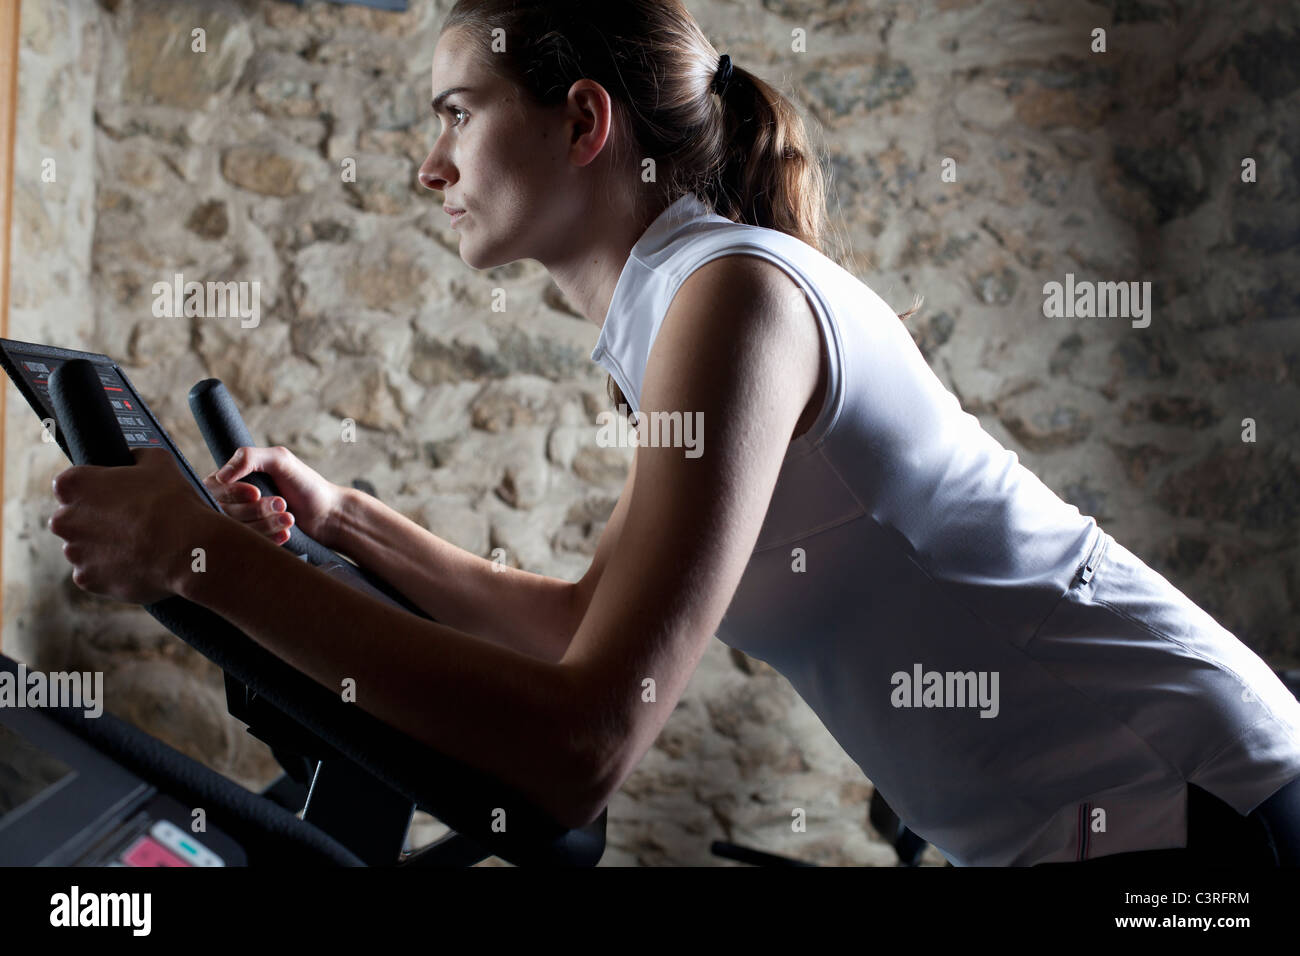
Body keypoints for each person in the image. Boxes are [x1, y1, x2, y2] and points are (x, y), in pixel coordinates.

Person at [48, 0, 1300, 866]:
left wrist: (208, 561)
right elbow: (576, 627)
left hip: (1200, 809)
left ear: (583, 123)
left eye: (455, 113)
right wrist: (342, 518)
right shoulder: (685, 308)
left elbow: (581, 740)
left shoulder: (734, 298)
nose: (430, 166)